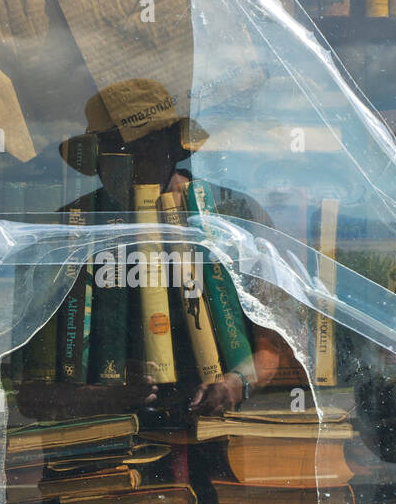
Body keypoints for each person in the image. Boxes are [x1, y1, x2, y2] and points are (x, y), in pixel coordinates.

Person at [17, 79, 299, 421]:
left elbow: (273, 350)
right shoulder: (73, 228)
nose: (132, 160)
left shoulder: (231, 215)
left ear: (173, 146)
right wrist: (103, 397)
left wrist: (234, 384)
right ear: (97, 158)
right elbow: (31, 396)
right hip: (107, 447)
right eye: (114, 149)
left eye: (145, 144)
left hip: (217, 436)